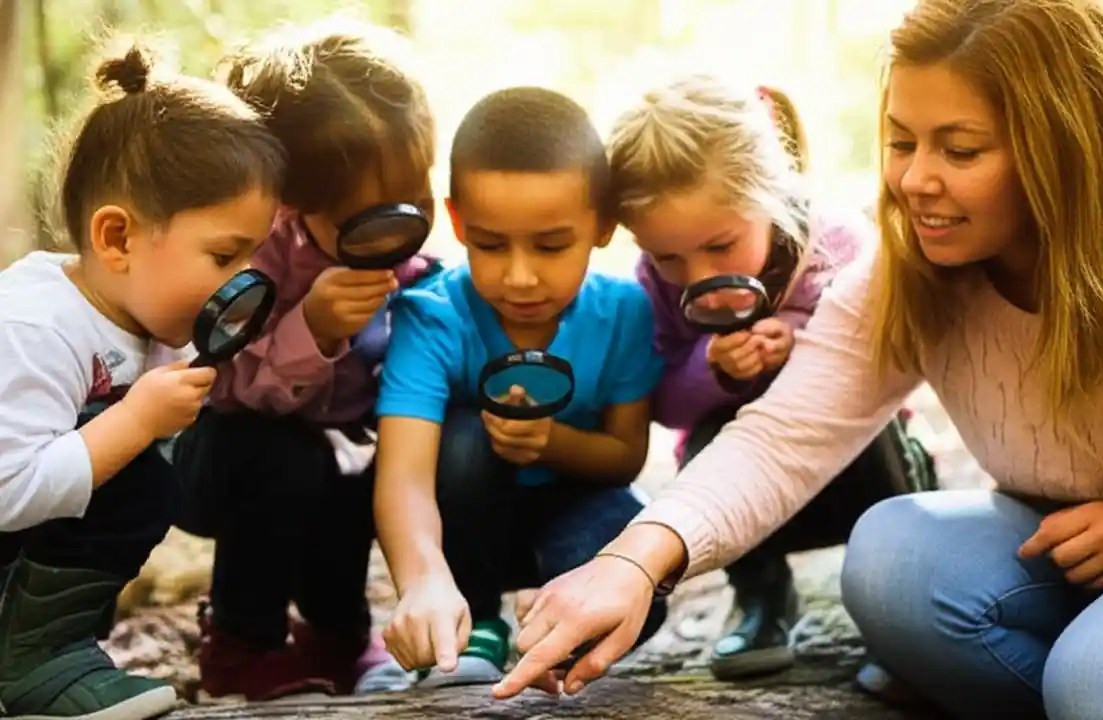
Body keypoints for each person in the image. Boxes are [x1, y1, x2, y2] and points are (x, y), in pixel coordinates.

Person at [492, 1, 1103, 717]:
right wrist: (633, 561)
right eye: (902, 141)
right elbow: (783, 436)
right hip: (1070, 547)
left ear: (1065, 146)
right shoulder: (912, 267)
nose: (912, 180)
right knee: (893, 560)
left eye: (960, 149)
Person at [607, 74, 935, 679]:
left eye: (720, 245)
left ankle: (900, 607)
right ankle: (761, 599)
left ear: (770, 195)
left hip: (860, 471)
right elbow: (666, 409)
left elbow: (899, 362)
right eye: (668, 256)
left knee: (881, 433)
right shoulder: (655, 286)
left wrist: (807, 341)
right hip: (744, 497)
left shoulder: (837, 246)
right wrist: (708, 369)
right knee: (707, 441)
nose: (695, 273)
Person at [0, 42, 284, 720]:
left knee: (161, 470)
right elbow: (8, 490)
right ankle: (30, 662)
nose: (241, 281)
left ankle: (51, 649)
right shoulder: (35, 328)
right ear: (118, 238)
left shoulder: (146, 326)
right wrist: (134, 423)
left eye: (250, 256)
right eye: (223, 255)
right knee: (140, 471)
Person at [171, 19, 434, 701]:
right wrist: (310, 326)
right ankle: (240, 645)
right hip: (219, 454)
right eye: (364, 216)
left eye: (412, 202)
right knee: (287, 457)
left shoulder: (411, 264)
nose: (394, 231)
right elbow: (224, 385)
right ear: (296, 200)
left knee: (359, 473)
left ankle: (340, 637)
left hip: (331, 449)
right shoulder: (257, 257)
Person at [373, 86, 668, 689]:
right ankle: (474, 618)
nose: (520, 275)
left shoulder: (625, 313)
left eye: (552, 245)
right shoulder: (431, 316)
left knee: (638, 580)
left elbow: (626, 456)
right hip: (471, 520)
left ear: (603, 225)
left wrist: (550, 443)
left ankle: (557, 626)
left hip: (577, 508)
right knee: (461, 442)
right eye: (488, 244)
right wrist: (423, 579)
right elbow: (403, 476)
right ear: (455, 221)